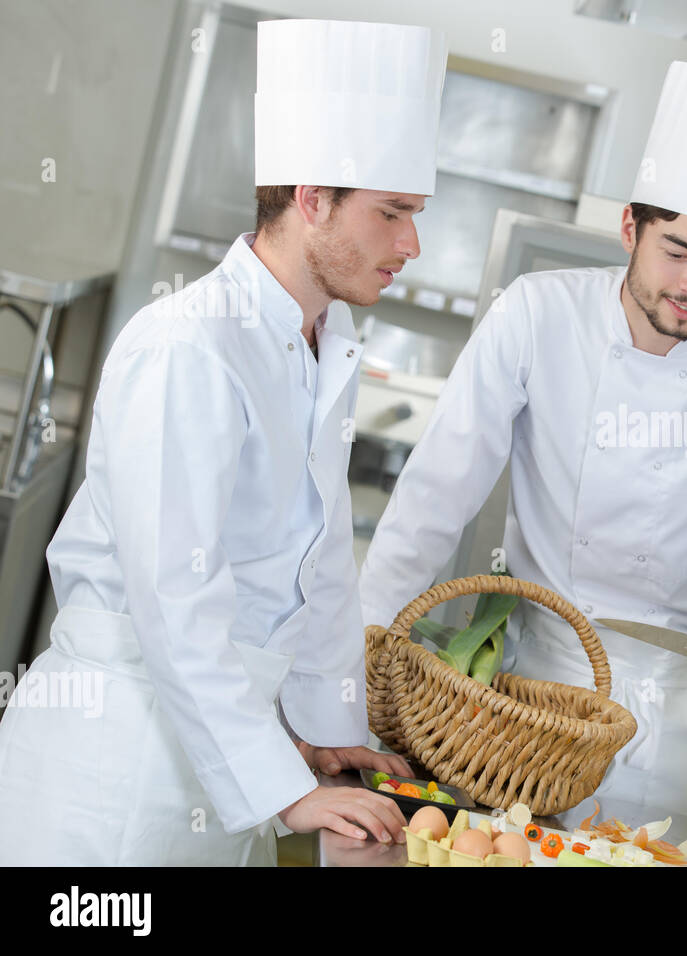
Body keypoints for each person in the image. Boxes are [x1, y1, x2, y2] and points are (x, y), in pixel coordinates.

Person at [0, 19, 447, 865]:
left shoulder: (325, 344)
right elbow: (177, 596)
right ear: (313, 199)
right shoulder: (189, 343)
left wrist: (315, 736)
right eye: (392, 214)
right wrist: (285, 786)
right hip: (113, 773)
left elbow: (313, 568)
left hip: (221, 770)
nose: (411, 246)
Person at [359, 61, 687, 821]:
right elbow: (432, 501)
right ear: (630, 226)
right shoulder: (538, 314)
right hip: (531, 715)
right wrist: (356, 681)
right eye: (676, 251)